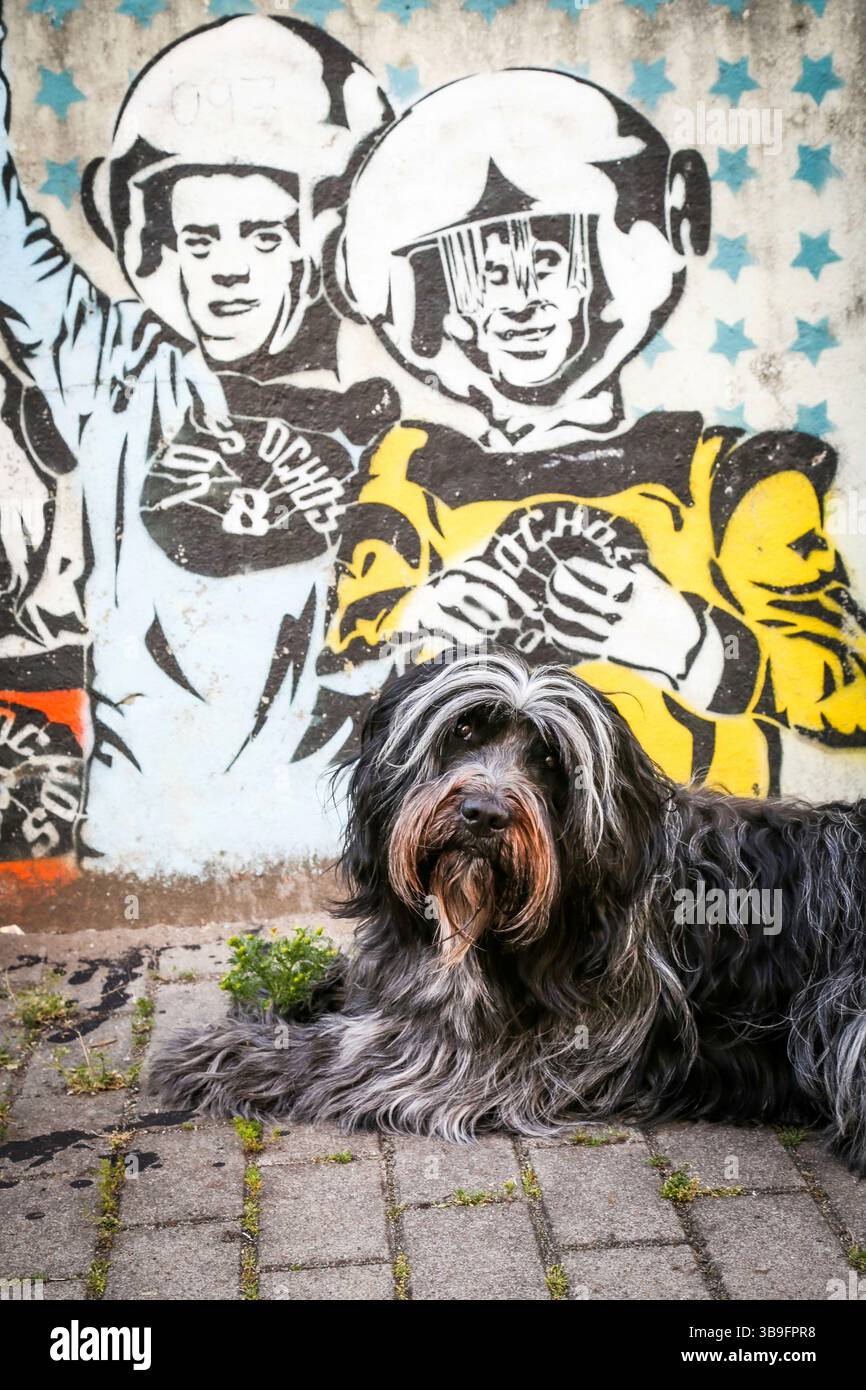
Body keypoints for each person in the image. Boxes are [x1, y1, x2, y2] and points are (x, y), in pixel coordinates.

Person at [300, 70, 866, 795]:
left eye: (549, 262)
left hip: (693, 862)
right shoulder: (412, 477)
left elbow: (845, 691)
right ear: (435, 297)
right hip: (494, 862)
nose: (520, 304)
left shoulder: (727, 479)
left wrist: (692, 644)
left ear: (609, 263)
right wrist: (419, 625)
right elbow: (336, 674)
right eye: (482, 276)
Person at [0, 15, 396, 874]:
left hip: (336, 864)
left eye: (260, 235)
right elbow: (15, 255)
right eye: (199, 236)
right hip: (136, 840)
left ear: (322, 242)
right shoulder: (121, 372)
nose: (224, 268)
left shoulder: (389, 418)